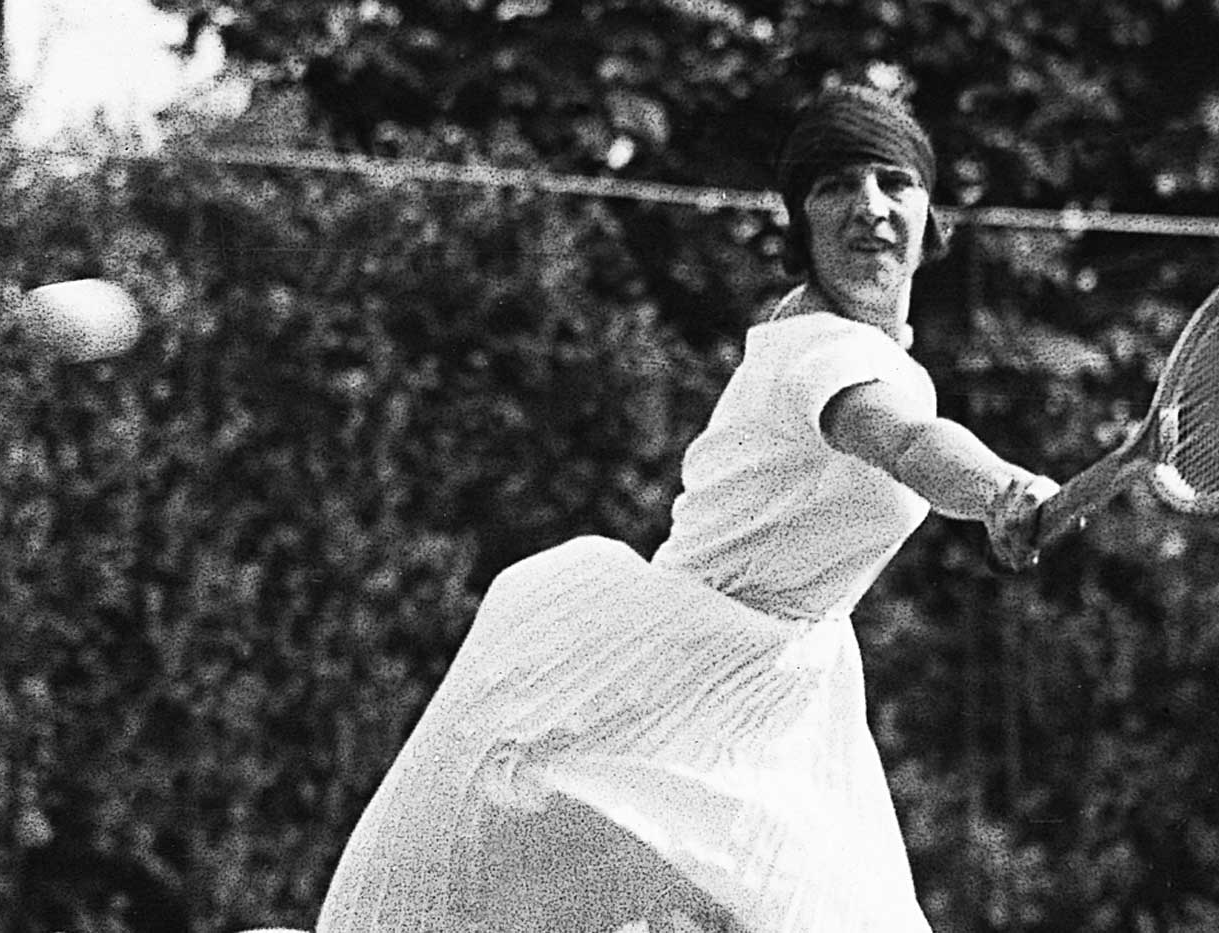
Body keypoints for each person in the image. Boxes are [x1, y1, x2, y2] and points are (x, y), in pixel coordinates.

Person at [314, 83, 1060, 933]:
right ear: (800, 222)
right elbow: (908, 442)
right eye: (834, 187)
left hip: (787, 684)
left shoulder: (851, 343)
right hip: (672, 676)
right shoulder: (824, 352)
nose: (870, 208)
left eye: (895, 182)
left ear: (932, 219)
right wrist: (1001, 486)